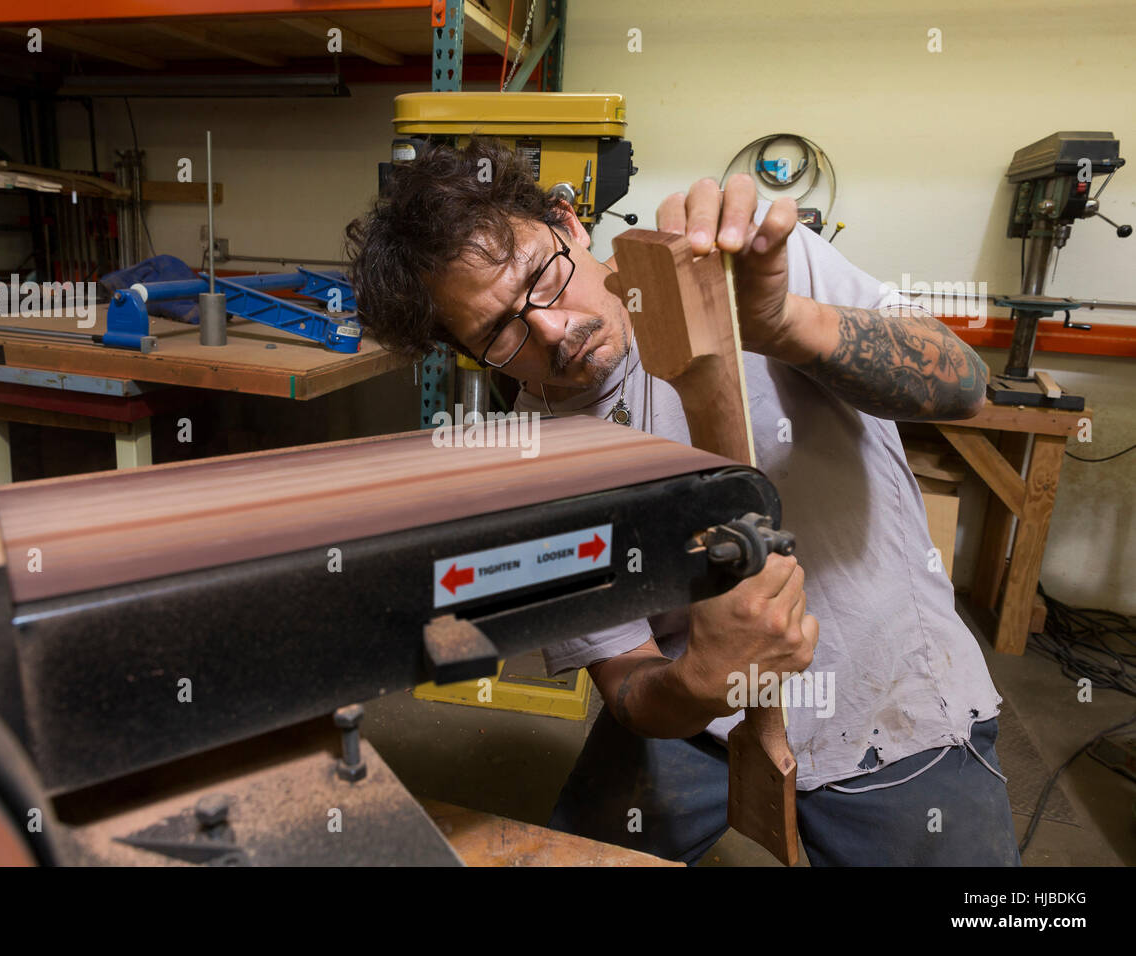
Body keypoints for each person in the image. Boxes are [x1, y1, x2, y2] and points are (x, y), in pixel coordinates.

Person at [346, 138, 1019, 866]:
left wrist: (781, 320)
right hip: (694, 721)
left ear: (570, 221)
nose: (550, 329)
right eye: (499, 331)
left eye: (541, 277)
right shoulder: (534, 466)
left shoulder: (741, 267)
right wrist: (700, 685)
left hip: (890, 700)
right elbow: (627, 679)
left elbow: (962, 385)